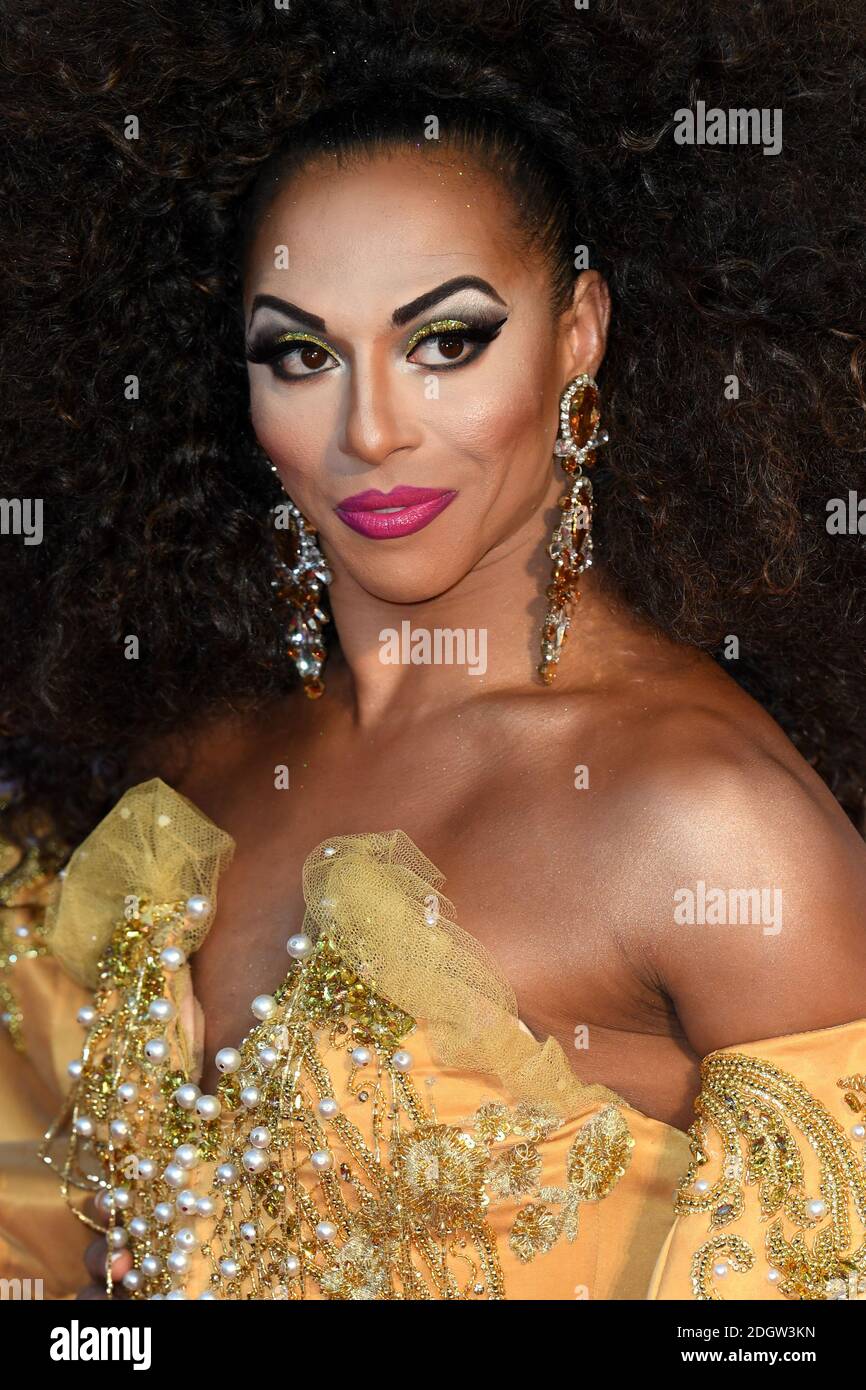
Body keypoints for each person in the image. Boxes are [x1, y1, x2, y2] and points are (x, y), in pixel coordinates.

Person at [1, 0, 865, 1302]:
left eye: (445, 340)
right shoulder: (193, 757)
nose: (374, 429)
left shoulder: (707, 827)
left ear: (579, 332)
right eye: (300, 353)